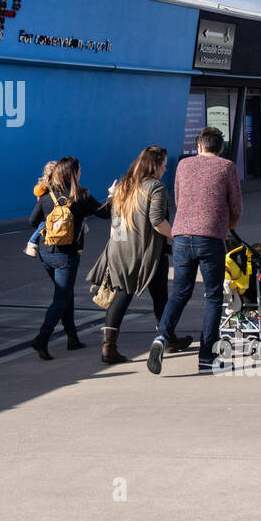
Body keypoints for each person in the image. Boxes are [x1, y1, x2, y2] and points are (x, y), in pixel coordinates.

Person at [147, 126, 242, 375]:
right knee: (213, 297)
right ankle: (206, 357)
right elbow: (236, 207)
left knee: (180, 293)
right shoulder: (227, 167)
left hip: (181, 237)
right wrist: (225, 227)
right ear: (220, 148)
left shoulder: (183, 166)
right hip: (210, 239)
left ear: (199, 146)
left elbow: (178, 199)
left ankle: (161, 337)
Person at [85, 146, 192, 363]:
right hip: (146, 252)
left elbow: (115, 220)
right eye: (162, 165)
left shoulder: (124, 186)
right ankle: (167, 338)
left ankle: (109, 346)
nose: (165, 168)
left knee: (122, 295)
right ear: (154, 165)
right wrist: (177, 235)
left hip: (119, 249)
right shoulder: (156, 188)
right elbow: (157, 221)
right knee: (160, 297)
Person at [27, 156, 111, 360]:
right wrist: (112, 196)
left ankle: (72, 337)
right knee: (61, 297)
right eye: (79, 169)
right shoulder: (80, 195)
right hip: (67, 254)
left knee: (66, 294)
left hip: (46, 253)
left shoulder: (48, 194)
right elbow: (105, 213)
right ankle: (42, 338)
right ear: (74, 173)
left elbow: (32, 221)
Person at [23, 161, 57, 257]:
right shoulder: (49, 185)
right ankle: (32, 243)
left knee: (43, 224)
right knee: (44, 224)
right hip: (48, 211)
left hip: (44, 210)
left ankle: (32, 243)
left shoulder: (43, 184)